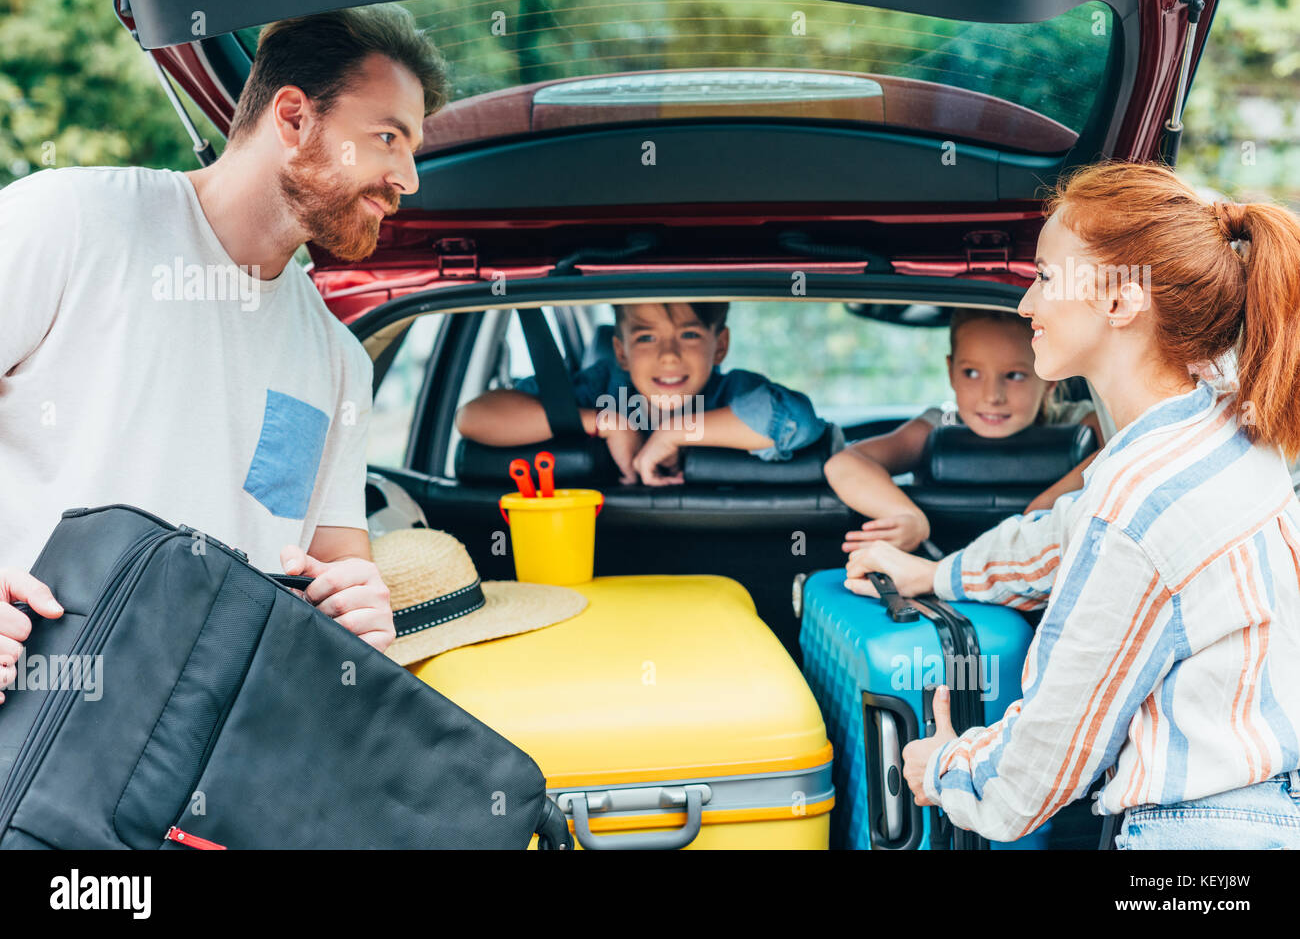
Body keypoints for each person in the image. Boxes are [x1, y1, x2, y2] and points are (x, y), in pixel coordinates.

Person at [843, 160, 1300, 848]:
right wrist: (934, 574)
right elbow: (1068, 533)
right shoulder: (1222, 422)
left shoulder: (1140, 500)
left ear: (1120, 302)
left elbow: (1035, 773)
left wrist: (935, 764)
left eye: (1046, 277)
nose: (1026, 304)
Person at [0, 7, 446, 695]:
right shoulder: (68, 223)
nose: (408, 178)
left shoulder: (337, 362)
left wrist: (358, 615)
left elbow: (331, 578)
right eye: (388, 137)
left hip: (213, 768)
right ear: (294, 118)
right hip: (26, 737)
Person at [456, 301, 828, 485]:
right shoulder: (596, 389)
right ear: (621, 352)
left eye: (689, 334)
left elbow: (798, 419)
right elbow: (474, 417)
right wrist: (606, 422)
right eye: (646, 337)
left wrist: (676, 432)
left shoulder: (732, 393)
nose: (669, 355)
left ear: (720, 346)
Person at [825, 308, 1103, 552]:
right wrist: (905, 515)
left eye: (1015, 375)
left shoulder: (1079, 422)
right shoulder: (938, 424)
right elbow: (845, 463)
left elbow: (1123, 449)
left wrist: (1043, 508)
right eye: (971, 373)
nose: (992, 396)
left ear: (1049, 380)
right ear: (951, 372)